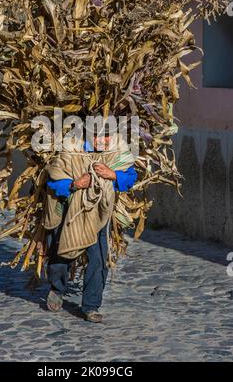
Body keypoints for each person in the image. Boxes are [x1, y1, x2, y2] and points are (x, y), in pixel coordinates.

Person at [44, 132, 137, 323]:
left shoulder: (116, 152)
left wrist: (113, 175)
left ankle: (91, 305)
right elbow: (53, 179)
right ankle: (57, 288)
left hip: (98, 214)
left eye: (106, 136)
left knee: (99, 257)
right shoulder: (72, 149)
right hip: (70, 210)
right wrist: (74, 184)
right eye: (96, 136)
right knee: (62, 249)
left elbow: (130, 176)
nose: (101, 141)